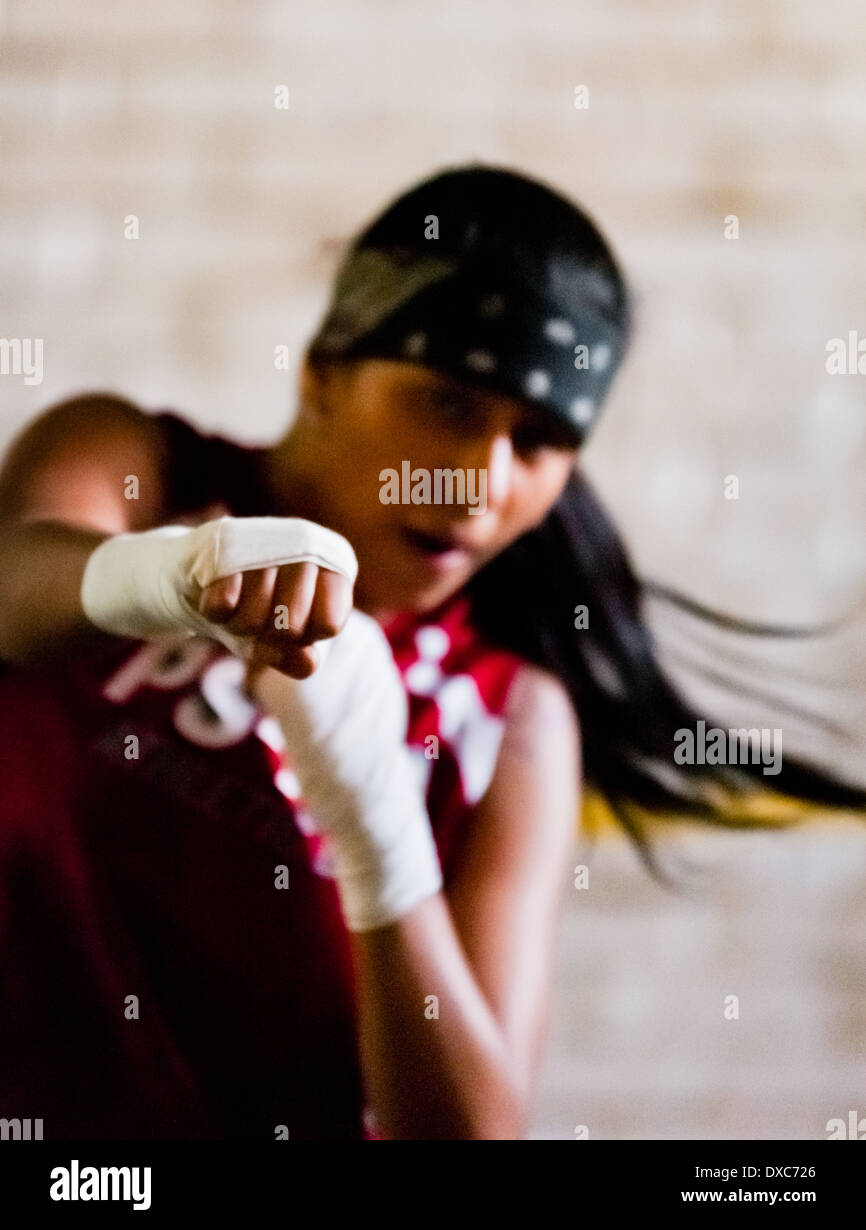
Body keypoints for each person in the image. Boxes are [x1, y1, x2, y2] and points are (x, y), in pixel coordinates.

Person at [0, 163, 861, 1142]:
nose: (477, 485)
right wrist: (178, 577)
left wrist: (380, 834)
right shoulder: (141, 470)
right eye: (448, 405)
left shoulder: (511, 715)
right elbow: (13, 590)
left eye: (534, 441)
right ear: (322, 372)